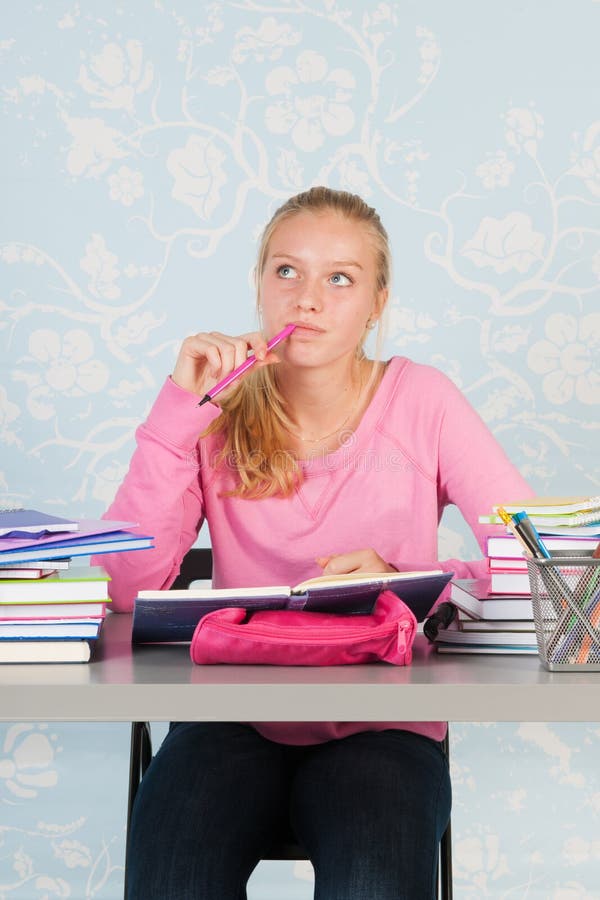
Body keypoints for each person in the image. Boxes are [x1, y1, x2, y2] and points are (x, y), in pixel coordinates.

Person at [99, 186, 534, 899]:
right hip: (229, 718)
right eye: (286, 271)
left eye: (340, 278)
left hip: (383, 727)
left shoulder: (424, 400)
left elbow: (540, 563)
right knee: (173, 881)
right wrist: (179, 410)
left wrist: (408, 577)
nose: (308, 298)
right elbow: (123, 583)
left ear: (377, 303)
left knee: (371, 883)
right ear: (260, 286)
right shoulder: (213, 413)